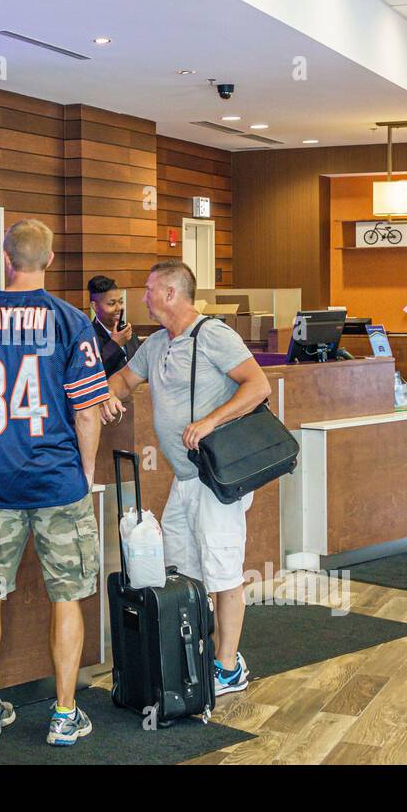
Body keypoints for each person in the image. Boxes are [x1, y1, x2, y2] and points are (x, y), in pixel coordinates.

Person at [0, 219, 107, 746]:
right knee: (67, 596)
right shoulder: (71, 321)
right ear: (50, 260)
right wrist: (84, 473)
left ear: (5, 259)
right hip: (58, 481)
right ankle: (63, 714)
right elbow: (87, 413)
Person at [102, 260, 271, 697]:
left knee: (222, 571)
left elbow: (257, 385)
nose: (143, 297)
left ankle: (229, 665)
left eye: (150, 289)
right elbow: (124, 379)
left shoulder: (213, 335)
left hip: (217, 478)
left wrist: (211, 421)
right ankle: (199, 655)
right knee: (185, 570)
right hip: (185, 478)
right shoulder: (157, 343)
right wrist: (103, 398)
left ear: (172, 293)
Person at [88, 275, 140, 377]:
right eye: (111, 304)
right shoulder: (88, 337)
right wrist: (115, 345)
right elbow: (91, 373)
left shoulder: (130, 335)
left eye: (121, 302)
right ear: (95, 306)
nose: (119, 308)